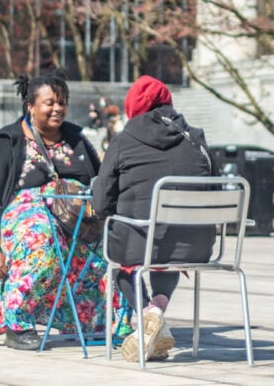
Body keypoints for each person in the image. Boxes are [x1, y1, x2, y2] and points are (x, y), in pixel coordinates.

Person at [0, 70, 115, 350]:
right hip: (28, 224)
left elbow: (99, 183)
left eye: (62, 102)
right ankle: (18, 323)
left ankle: (103, 320)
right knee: (43, 242)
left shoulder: (78, 141)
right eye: (49, 102)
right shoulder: (7, 143)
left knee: (108, 256)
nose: (57, 108)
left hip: (75, 223)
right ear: (30, 107)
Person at [93, 75, 217, 363]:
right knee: (168, 247)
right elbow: (216, 185)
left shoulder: (122, 141)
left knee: (116, 257)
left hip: (140, 243)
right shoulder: (196, 137)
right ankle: (158, 310)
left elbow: (101, 204)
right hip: (197, 246)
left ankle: (147, 313)